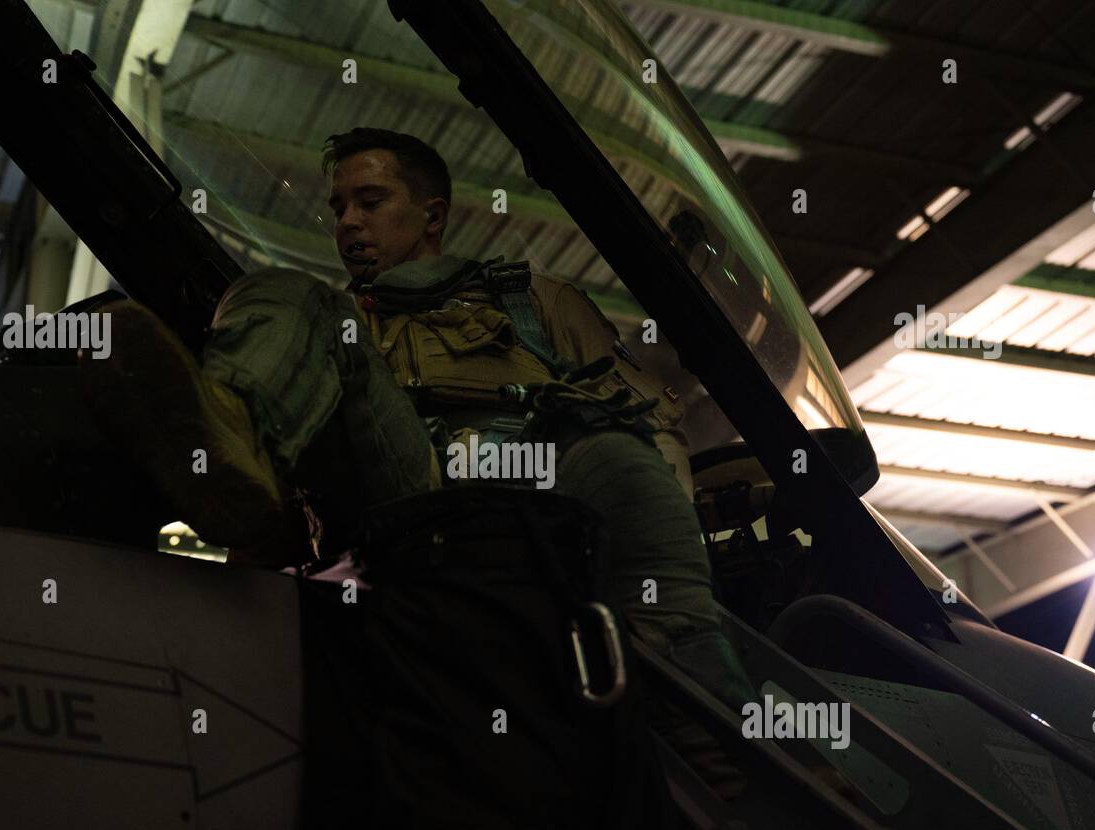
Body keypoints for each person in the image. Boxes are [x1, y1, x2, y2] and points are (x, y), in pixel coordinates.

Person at [80, 127, 754, 715]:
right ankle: (232, 429)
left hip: (543, 501)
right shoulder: (331, 327)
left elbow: (646, 419)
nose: (347, 222)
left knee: (620, 453)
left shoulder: (532, 301)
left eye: (371, 203)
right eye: (339, 207)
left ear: (431, 215)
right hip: (413, 493)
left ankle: (709, 726)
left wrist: (667, 534)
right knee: (283, 293)